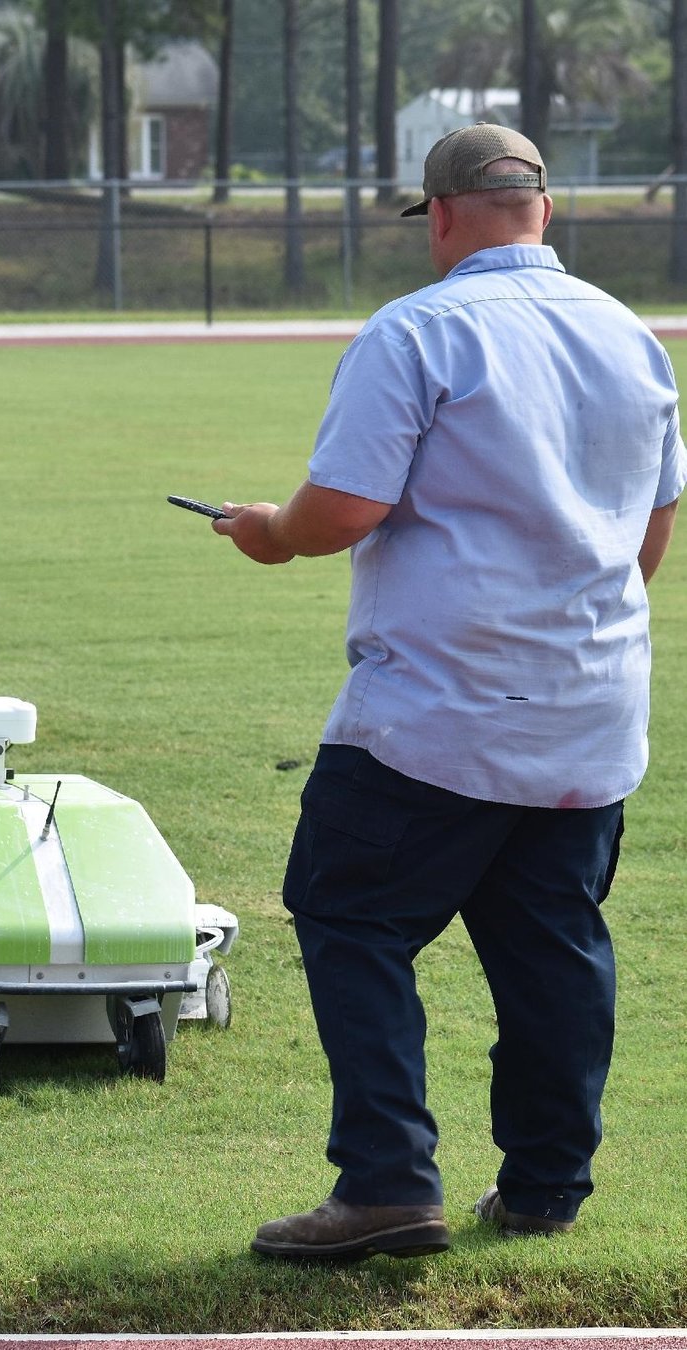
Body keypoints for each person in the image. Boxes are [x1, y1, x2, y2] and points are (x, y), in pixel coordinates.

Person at [212, 123, 686, 1261]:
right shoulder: (631, 336)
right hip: (588, 708)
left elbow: (342, 511)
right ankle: (545, 1187)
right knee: (552, 944)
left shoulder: (418, 330)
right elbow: (650, 535)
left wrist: (268, 533)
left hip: (439, 709)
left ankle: (386, 1183)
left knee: (348, 912)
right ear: (544, 210)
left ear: (438, 215)